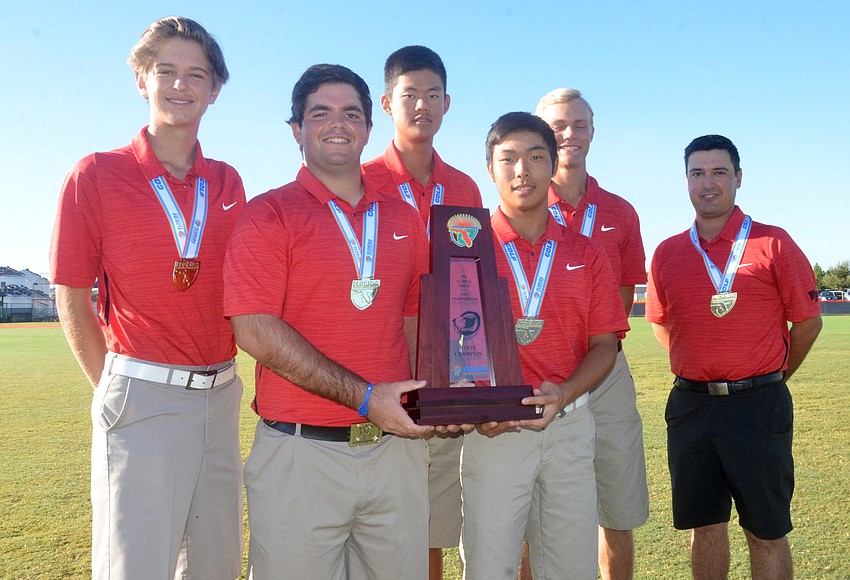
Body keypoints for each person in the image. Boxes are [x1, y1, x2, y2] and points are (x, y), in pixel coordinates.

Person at [49, 16, 244, 580]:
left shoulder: (228, 182)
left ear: (215, 89)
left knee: (215, 565)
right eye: (166, 71)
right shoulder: (95, 174)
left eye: (196, 74)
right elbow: (70, 295)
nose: (180, 85)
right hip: (142, 393)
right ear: (141, 80)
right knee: (135, 567)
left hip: (222, 395)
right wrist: (117, 388)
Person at [223, 64, 434, 579]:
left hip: (394, 452)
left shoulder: (404, 218)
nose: (338, 123)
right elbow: (254, 329)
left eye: (351, 114)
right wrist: (366, 397)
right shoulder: (268, 214)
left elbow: (414, 323)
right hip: (301, 455)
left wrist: (442, 393)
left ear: (368, 128)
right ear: (296, 129)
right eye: (321, 113)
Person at [459, 112, 628, 579]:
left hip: (569, 427)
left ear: (553, 166)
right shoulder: (464, 249)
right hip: (494, 433)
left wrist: (565, 391)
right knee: (489, 567)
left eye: (536, 158)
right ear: (489, 168)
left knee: (571, 568)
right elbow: (450, 343)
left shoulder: (587, 253)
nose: (522, 171)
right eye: (508, 159)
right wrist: (474, 405)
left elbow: (604, 345)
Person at [645, 134, 822, 579]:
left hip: (757, 406)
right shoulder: (667, 252)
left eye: (719, 172)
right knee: (704, 526)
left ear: (738, 178)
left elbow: (808, 323)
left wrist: (771, 375)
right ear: (686, 181)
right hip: (690, 405)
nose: (708, 183)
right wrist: (701, 366)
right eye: (698, 173)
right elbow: (660, 323)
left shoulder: (773, 243)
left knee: (765, 530)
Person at [362, 45, 483, 580]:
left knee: (432, 520)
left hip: (444, 374)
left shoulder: (463, 188)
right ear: (388, 102)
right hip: (381, 371)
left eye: (433, 95)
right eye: (410, 94)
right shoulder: (361, 177)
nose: (422, 106)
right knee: (383, 525)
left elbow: (471, 281)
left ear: (447, 103)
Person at [533, 88, 649, 580]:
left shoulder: (620, 211)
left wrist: (590, 351)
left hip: (605, 373)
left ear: (593, 132)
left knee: (616, 506)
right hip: (537, 373)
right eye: (557, 126)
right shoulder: (520, 204)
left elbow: (624, 296)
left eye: (579, 125)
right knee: (529, 504)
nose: (569, 135)